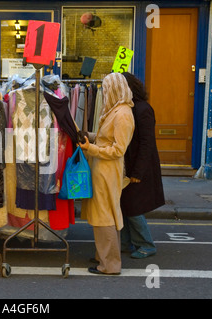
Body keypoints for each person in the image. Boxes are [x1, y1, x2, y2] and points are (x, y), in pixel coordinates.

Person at [79, 72, 135, 275]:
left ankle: (109, 264)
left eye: (106, 88)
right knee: (103, 214)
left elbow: (118, 150)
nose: (104, 91)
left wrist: (91, 149)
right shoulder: (116, 110)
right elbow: (106, 138)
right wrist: (88, 136)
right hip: (102, 168)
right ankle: (102, 256)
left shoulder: (123, 114)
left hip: (108, 170)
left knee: (105, 216)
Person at [120, 72, 165, 259]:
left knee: (133, 206)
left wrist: (138, 171)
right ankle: (125, 243)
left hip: (140, 167)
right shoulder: (130, 107)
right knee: (124, 205)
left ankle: (146, 245)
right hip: (129, 165)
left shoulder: (142, 108)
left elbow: (147, 143)